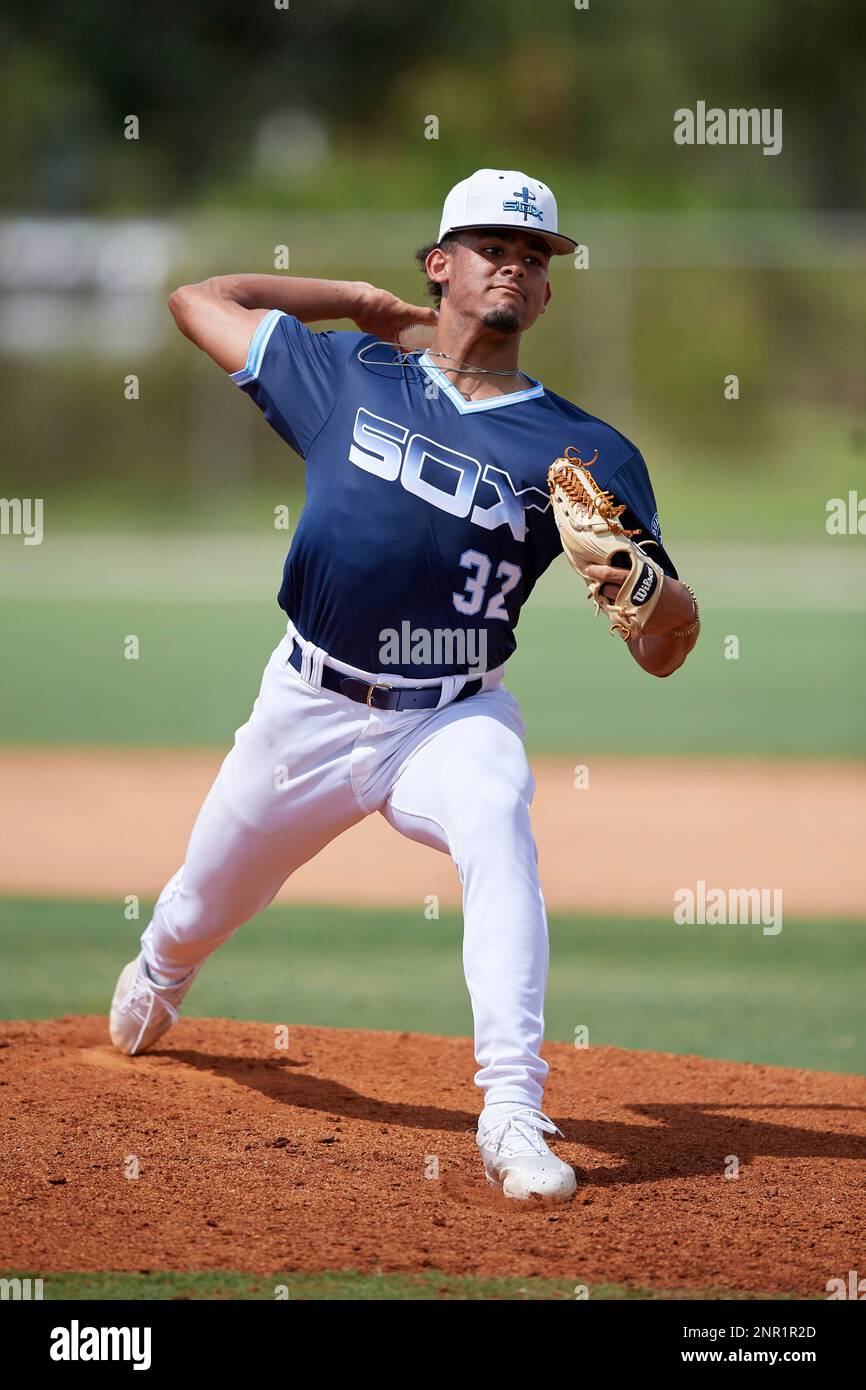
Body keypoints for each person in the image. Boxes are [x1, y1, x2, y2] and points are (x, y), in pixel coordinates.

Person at [109, 169, 699, 1202]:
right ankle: (162, 969)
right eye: (489, 247)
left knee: (494, 816)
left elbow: (664, 647)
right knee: (200, 906)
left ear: (547, 291)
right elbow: (197, 301)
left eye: (532, 255)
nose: (513, 265)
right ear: (440, 266)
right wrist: (348, 299)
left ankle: (511, 1109)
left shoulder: (588, 451)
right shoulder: (350, 375)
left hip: (453, 711)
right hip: (308, 707)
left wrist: (652, 593)